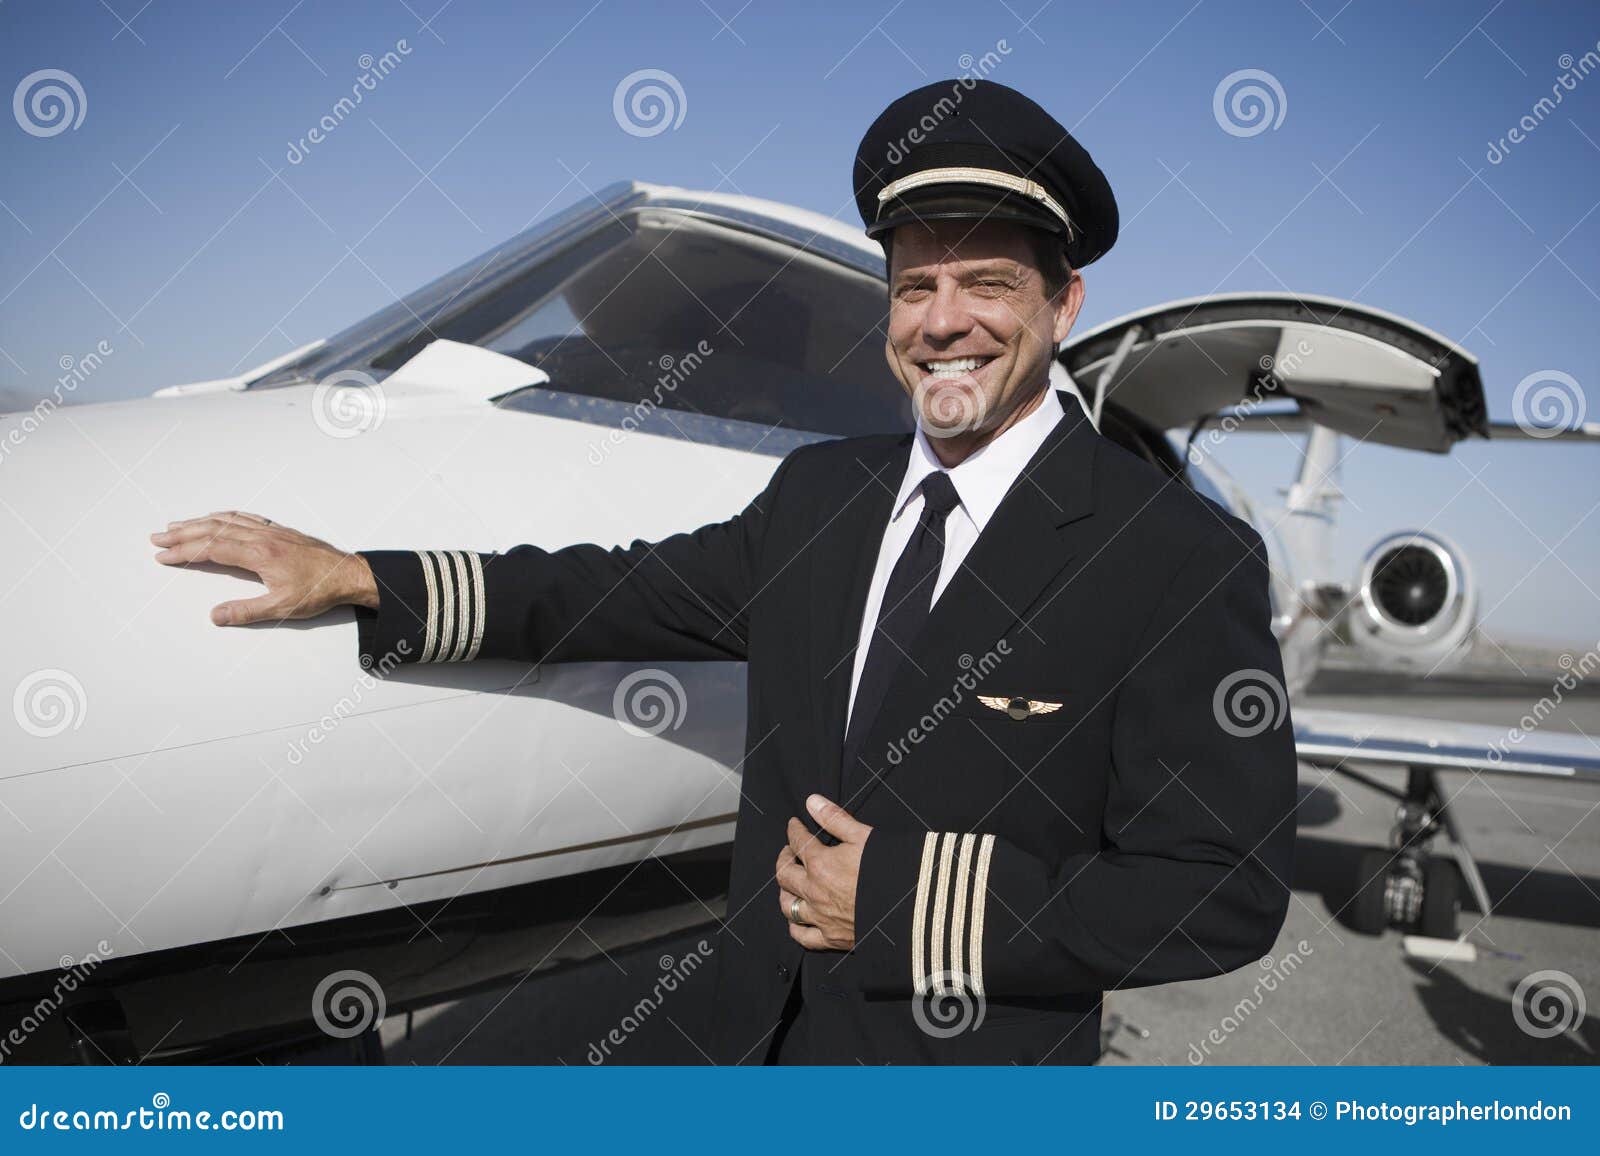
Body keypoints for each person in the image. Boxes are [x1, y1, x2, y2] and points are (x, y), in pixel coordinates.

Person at [152, 79, 1296, 1064]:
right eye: (912, 288)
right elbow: (616, 590)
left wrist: (898, 903)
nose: (944, 323)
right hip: (754, 1045)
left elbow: (1219, 885)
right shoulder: (824, 494)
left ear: (1062, 303)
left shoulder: (1171, 555)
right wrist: (364, 575)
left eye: (987, 283)